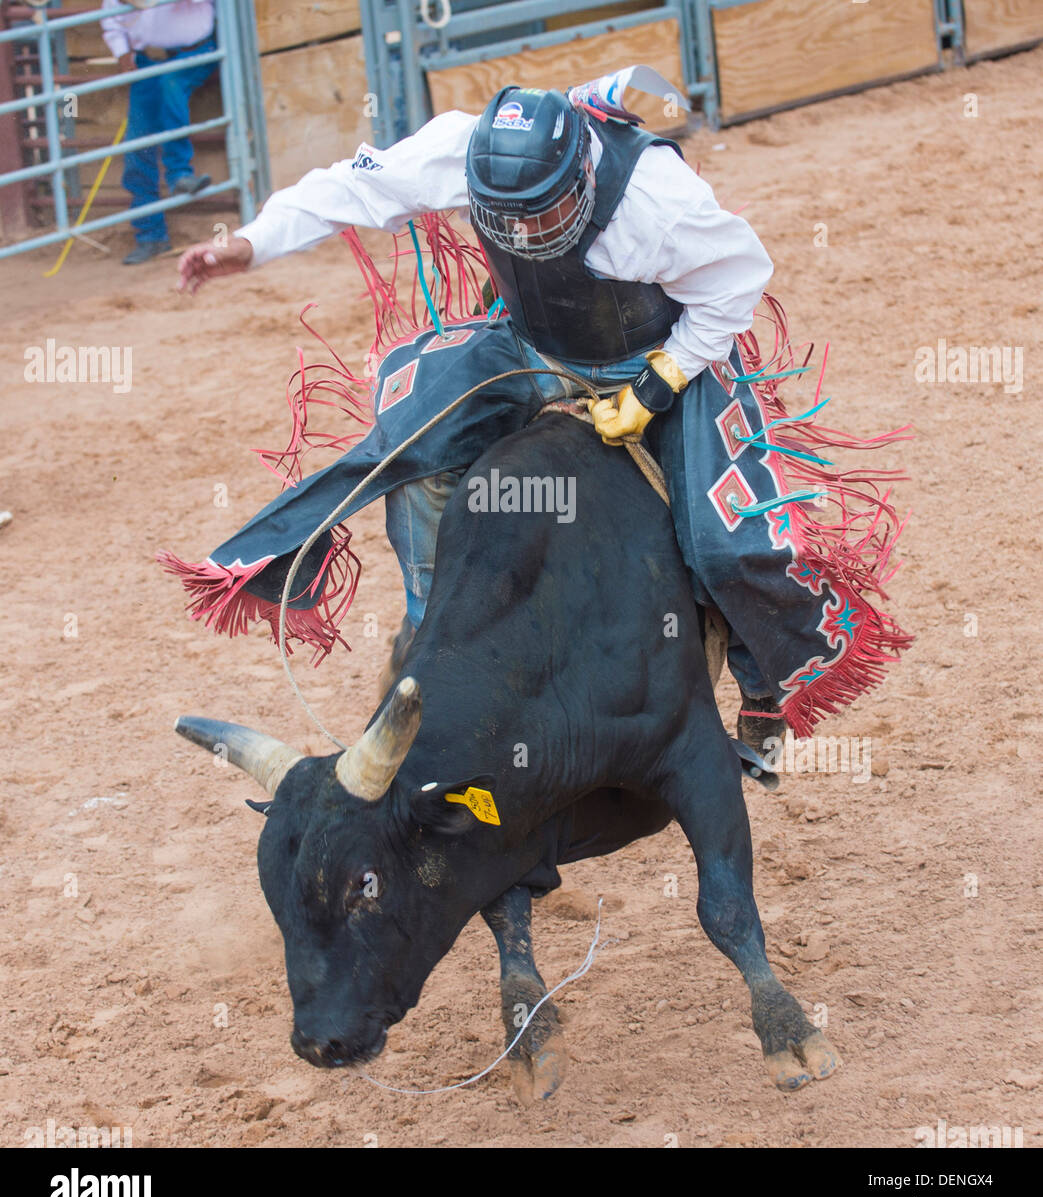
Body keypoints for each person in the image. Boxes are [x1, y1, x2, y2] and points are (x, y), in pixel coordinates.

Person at [173, 75, 910, 745]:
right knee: (401, 441)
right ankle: (430, 625)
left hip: (661, 351)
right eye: (507, 220)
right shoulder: (459, 149)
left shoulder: (655, 199)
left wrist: (655, 387)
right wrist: (249, 243)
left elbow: (736, 281)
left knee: (728, 540)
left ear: (581, 175)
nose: (523, 235)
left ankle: (766, 684)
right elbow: (348, 189)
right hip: (530, 343)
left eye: (541, 213)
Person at [101, 0, 218, 264]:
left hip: (192, 50)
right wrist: (122, 54)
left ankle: (181, 169)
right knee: (137, 145)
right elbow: (111, 12)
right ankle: (151, 234)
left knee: (169, 85)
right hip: (148, 57)